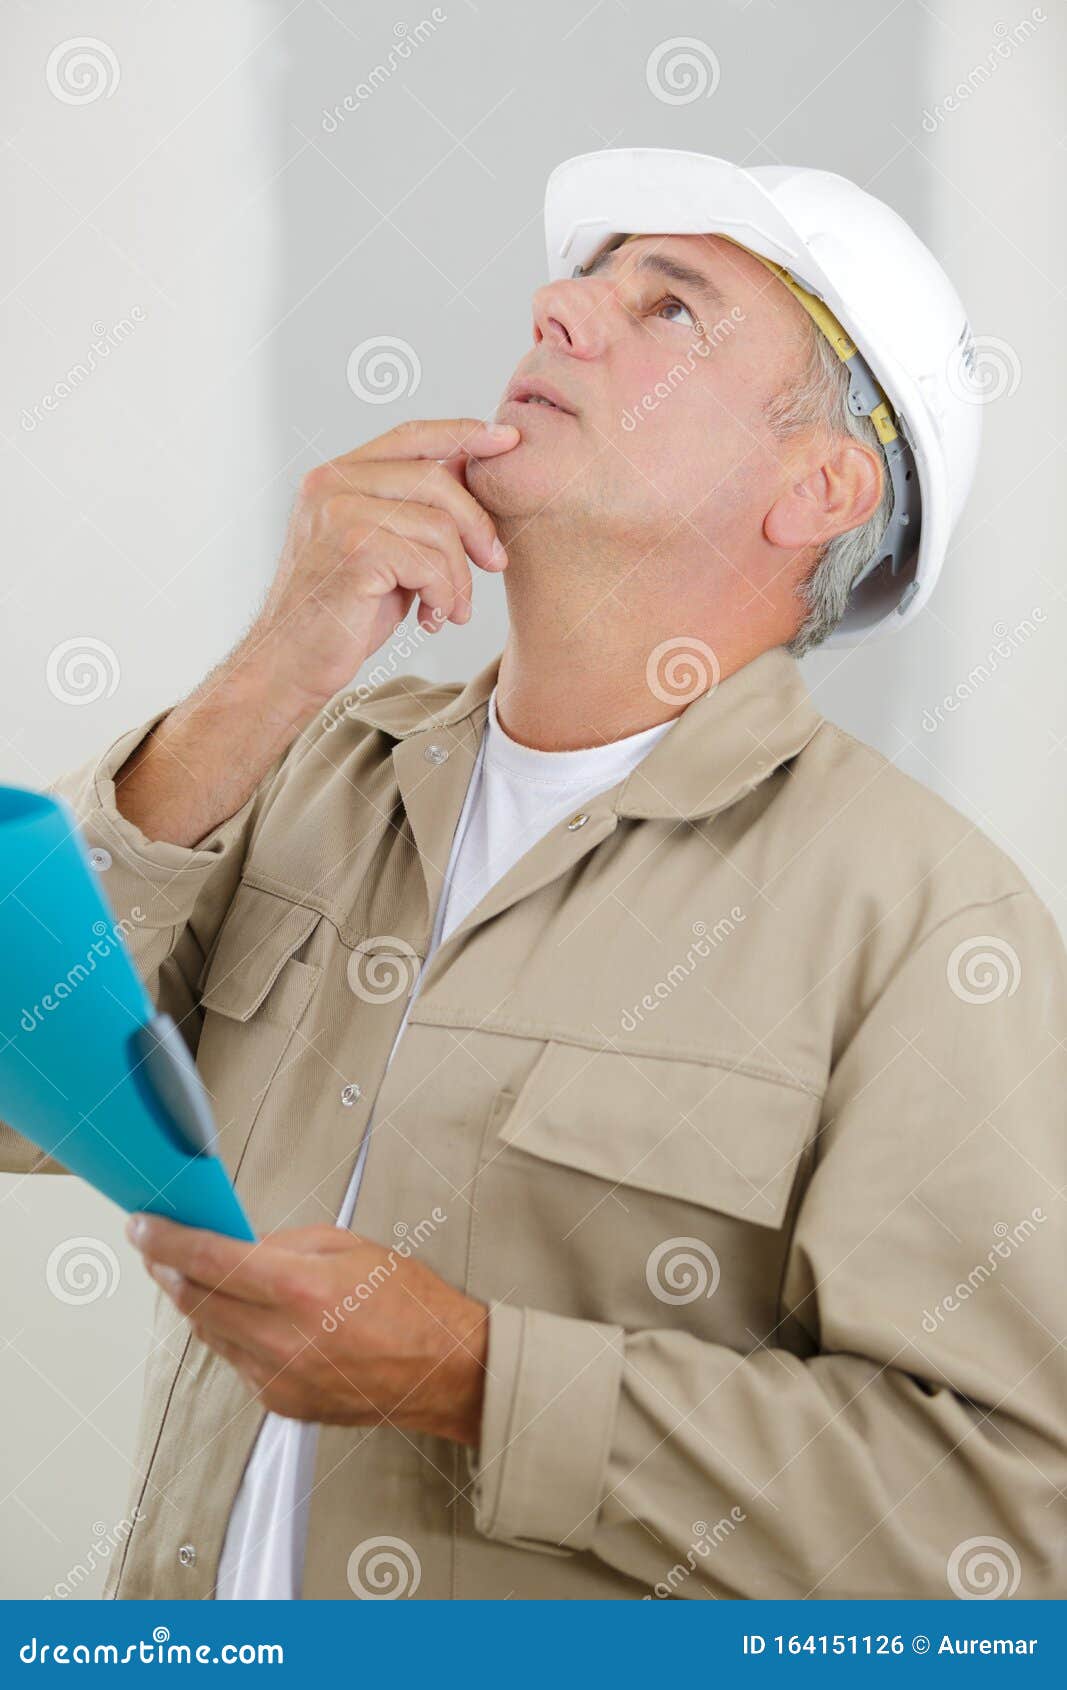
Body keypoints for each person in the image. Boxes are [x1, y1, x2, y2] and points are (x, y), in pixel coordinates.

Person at [3, 149, 1065, 1602]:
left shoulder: (913, 915)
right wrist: (276, 663)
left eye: (670, 308)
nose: (560, 310)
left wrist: (480, 1377)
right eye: (583, 282)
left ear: (819, 484)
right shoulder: (319, 771)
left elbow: (1007, 1524)